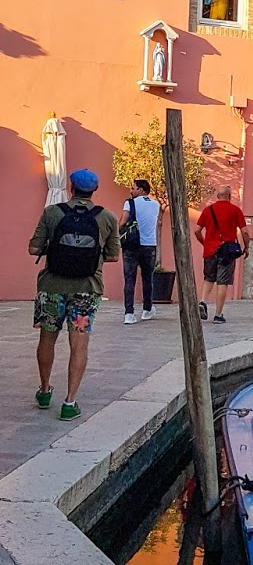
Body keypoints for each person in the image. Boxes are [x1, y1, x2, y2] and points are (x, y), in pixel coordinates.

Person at [28, 168, 120, 421]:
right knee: (79, 343)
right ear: (94, 190)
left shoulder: (52, 212)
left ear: (71, 187)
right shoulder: (108, 217)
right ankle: (70, 402)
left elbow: (33, 247)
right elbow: (113, 255)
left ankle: (45, 390)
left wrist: (54, 249)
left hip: (52, 287)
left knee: (47, 339)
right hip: (87, 289)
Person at [194, 186, 249, 324]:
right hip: (227, 252)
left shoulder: (208, 210)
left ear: (217, 196)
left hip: (210, 251)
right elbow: (245, 232)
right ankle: (218, 315)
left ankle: (203, 301)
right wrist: (246, 247)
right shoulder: (235, 210)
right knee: (222, 282)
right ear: (229, 196)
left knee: (209, 278)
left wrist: (205, 243)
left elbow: (197, 230)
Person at [120, 177, 161, 324]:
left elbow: (123, 222)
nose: (131, 191)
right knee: (147, 277)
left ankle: (129, 313)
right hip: (149, 244)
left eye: (133, 188)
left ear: (141, 190)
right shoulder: (156, 204)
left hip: (131, 245)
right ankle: (147, 309)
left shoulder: (130, 203)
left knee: (129, 279)